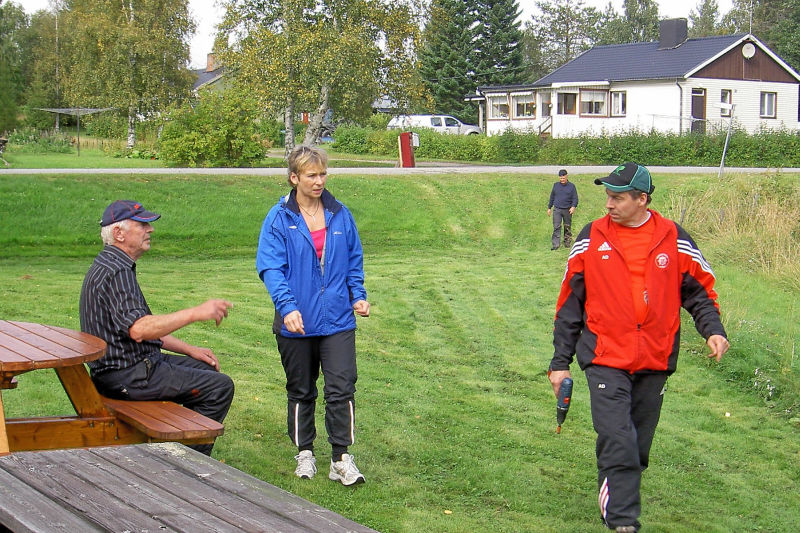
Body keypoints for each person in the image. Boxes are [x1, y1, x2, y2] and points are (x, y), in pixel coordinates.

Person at [547, 162, 729, 532]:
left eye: (617, 197)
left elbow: (699, 293)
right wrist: (560, 362)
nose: (609, 205)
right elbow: (569, 304)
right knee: (618, 437)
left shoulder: (674, 238)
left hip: (655, 358)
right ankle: (623, 522)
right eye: (607, 197)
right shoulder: (591, 236)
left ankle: (612, 486)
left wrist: (712, 330)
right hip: (604, 356)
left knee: (637, 447)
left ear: (642, 199)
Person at [79, 200, 235, 456]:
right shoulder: (117, 271)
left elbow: (147, 328)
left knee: (207, 367)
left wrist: (190, 349)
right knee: (219, 387)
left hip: (126, 369)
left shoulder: (111, 265)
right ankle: (187, 462)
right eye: (142, 225)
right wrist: (195, 313)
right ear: (119, 233)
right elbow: (140, 329)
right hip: (127, 376)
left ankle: (171, 443)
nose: (150, 229)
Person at [256, 145, 370, 486]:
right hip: (296, 322)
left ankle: (341, 458)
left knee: (341, 388)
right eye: (311, 175)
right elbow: (271, 268)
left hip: (337, 321)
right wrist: (287, 307)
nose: (318, 181)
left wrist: (358, 296)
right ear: (294, 178)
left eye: (322, 174)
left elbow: (353, 260)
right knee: (301, 390)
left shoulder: (340, 214)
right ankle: (304, 452)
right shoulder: (279, 218)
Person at [547, 169, 579, 250]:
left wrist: (573, 207)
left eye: (563, 178)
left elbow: (575, 198)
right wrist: (549, 207)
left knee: (567, 226)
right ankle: (555, 244)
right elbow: (552, 197)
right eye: (560, 178)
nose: (562, 180)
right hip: (557, 209)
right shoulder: (555, 185)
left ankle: (567, 242)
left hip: (567, 210)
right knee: (556, 226)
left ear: (566, 176)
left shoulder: (572, 186)